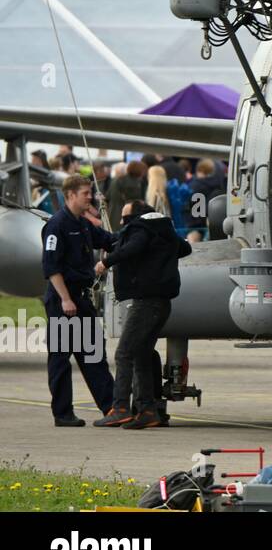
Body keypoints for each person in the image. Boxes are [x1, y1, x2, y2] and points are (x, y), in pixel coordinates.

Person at [93, 200, 191, 429]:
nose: (121, 222)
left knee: (124, 354)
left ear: (136, 218)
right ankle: (148, 411)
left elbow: (133, 247)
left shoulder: (141, 230)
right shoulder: (163, 230)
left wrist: (106, 262)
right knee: (141, 354)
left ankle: (119, 408)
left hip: (146, 302)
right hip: (162, 303)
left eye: (125, 218)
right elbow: (185, 248)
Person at [40, 174, 117, 427]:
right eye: (86, 193)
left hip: (82, 299)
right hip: (64, 300)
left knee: (94, 353)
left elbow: (108, 239)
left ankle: (111, 407)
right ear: (71, 195)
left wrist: (138, 230)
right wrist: (65, 300)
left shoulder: (83, 224)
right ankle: (62, 413)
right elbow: (52, 268)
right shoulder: (57, 225)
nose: (90, 197)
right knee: (61, 358)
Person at [186, 158, 224, 243]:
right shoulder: (217, 185)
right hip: (212, 223)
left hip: (195, 226)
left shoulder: (195, 186)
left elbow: (193, 208)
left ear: (200, 170)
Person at [107, 159, 147, 232]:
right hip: (126, 213)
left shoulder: (118, 180)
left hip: (114, 212)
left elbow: (108, 196)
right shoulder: (135, 182)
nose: (144, 173)